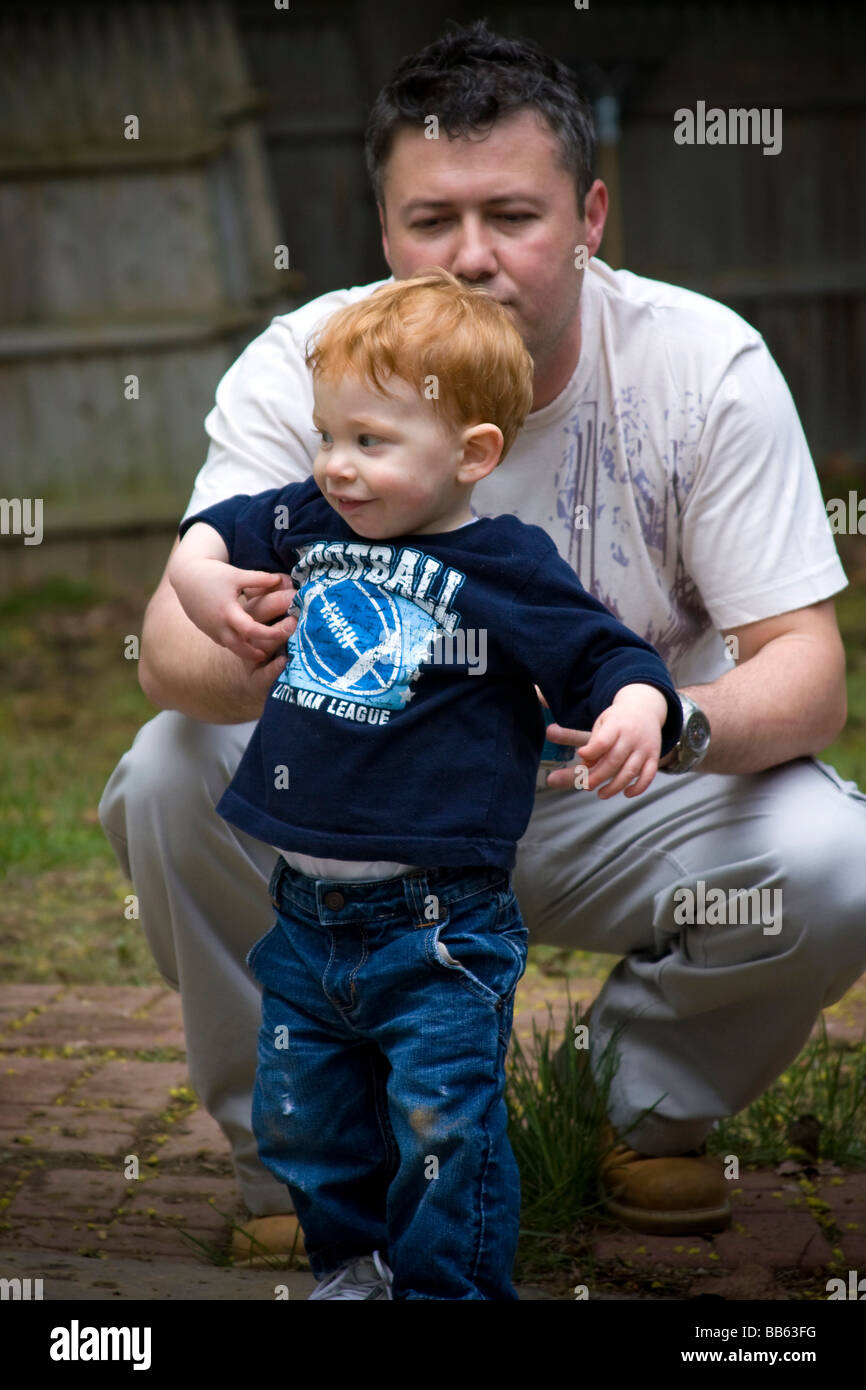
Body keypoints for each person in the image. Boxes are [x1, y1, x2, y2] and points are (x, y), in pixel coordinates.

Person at [99, 20, 866, 1255]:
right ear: (383, 232)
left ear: (589, 216)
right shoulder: (310, 363)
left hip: (606, 783)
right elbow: (167, 649)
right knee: (168, 770)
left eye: (512, 215)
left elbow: (807, 672)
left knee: (836, 854)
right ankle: (298, 1166)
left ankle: (633, 1106)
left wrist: (666, 721)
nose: (469, 260)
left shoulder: (704, 365)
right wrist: (239, 627)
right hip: (360, 800)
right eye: (429, 222)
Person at [165, 268, 683, 1300]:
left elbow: (607, 655)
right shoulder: (312, 518)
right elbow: (215, 528)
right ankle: (351, 1269)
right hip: (304, 913)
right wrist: (198, 575)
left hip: (438, 925)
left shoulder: (504, 565)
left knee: (441, 1124)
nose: (334, 466)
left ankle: (450, 1290)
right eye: (326, 435)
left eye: (369, 441)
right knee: (304, 1115)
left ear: (471, 452)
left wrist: (637, 709)